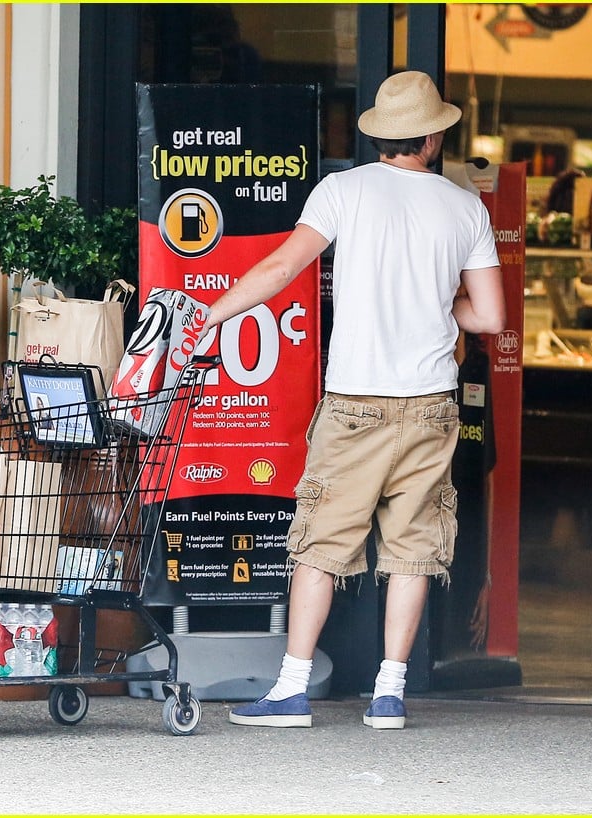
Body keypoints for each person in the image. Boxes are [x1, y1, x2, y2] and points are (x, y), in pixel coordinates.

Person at [201, 70, 505, 729]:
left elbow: (283, 268)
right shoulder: (465, 207)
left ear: (381, 138)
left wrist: (212, 314)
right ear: (431, 138)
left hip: (355, 403)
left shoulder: (341, 191)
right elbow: (488, 317)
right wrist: (436, 300)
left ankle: (291, 689)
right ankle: (389, 693)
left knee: (319, 544)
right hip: (429, 402)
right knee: (412, 548)